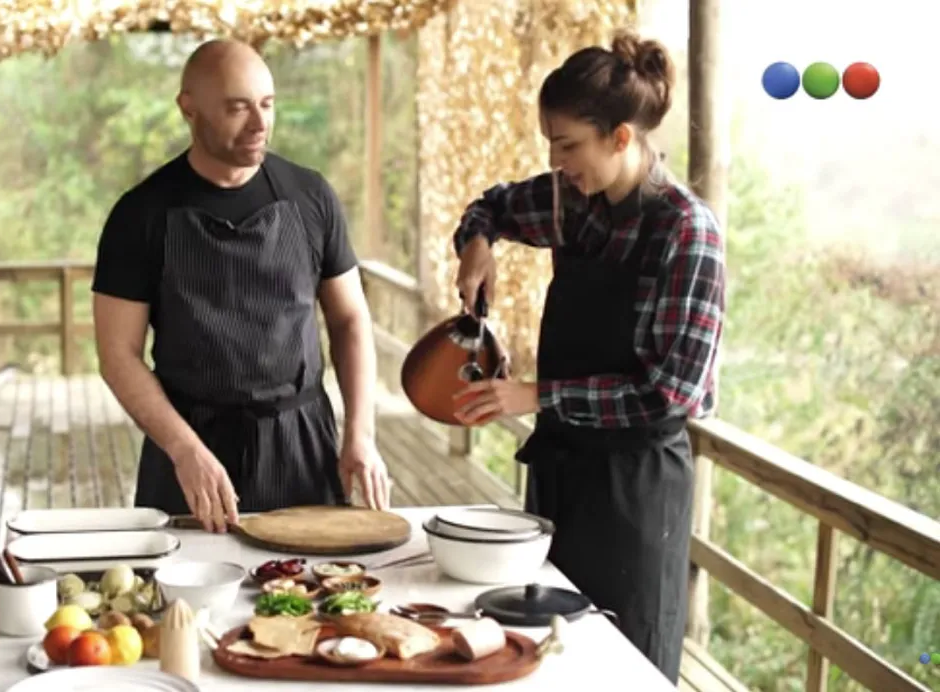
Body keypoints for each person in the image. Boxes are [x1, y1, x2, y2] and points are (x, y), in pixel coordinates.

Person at [450, 31, 726, 683]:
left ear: (621, 137)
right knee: (548, 655)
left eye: (568, 144)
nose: (557, 160)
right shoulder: (571, 202)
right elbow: (490, 204)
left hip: (637, 492)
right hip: (560, 476)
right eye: (551, 142)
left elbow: (671, 394)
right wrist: (478, 243)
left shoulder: (687, 232)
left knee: (621, 665)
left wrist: (539, 395)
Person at [91, 39, 391, 533]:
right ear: (188, 107)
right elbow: (117, 355)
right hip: (190, 446)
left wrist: (361, 432)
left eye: (267, 104)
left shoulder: (311, 196)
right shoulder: (139, 215)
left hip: (303, 445)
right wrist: (185, 450)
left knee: (313, 601)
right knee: (181, 608)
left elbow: (350, 318)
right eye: (237, 107)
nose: (259, 124)